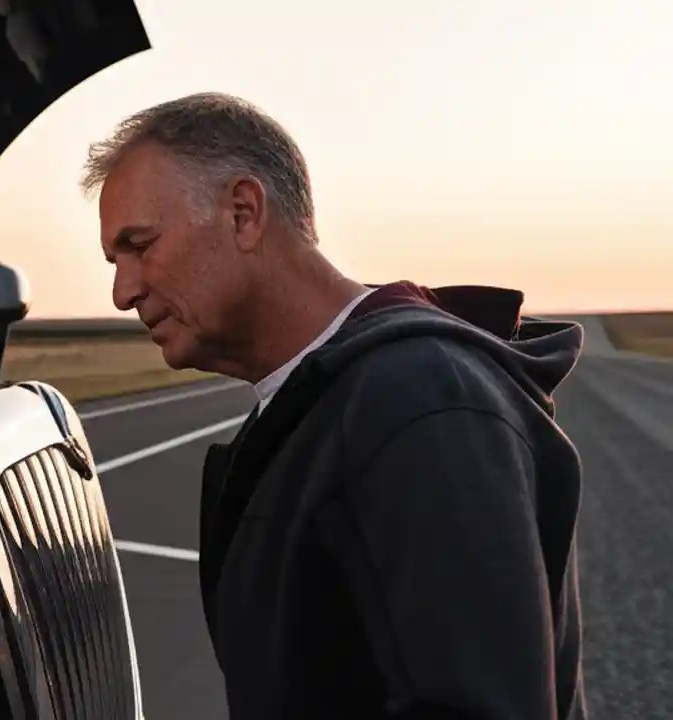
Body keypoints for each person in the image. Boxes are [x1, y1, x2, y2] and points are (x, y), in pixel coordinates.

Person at [81, 92, 587, 719]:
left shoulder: (422, 402)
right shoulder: (333, 398)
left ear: (243, 212)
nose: (122, 292)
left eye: (140, 244)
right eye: (115, 260)